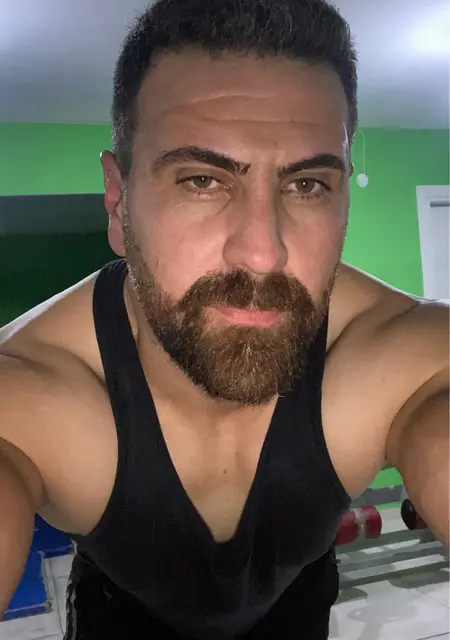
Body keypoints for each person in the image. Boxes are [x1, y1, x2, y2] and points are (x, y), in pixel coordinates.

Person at [0, 0, 448, 638]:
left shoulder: (401, 355)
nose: (263, 253)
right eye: (202, 181)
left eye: (306, 185)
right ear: (119, 202)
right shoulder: (29, 386)